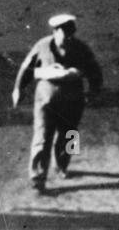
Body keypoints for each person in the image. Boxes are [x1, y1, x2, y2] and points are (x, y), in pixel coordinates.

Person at [12, 13, 102, 193]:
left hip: (73, 100)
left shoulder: (81, 48)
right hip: (46, 99)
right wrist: (18, 89)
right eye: (65, 33)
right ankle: (37, 177)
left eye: (71, 33)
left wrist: (94, 91)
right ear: (55, 31)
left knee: (70, 135)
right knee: (42, 138)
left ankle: (63, 165)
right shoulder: (42, 46)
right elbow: (27, 68)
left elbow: (94, 70)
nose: (69, 37)